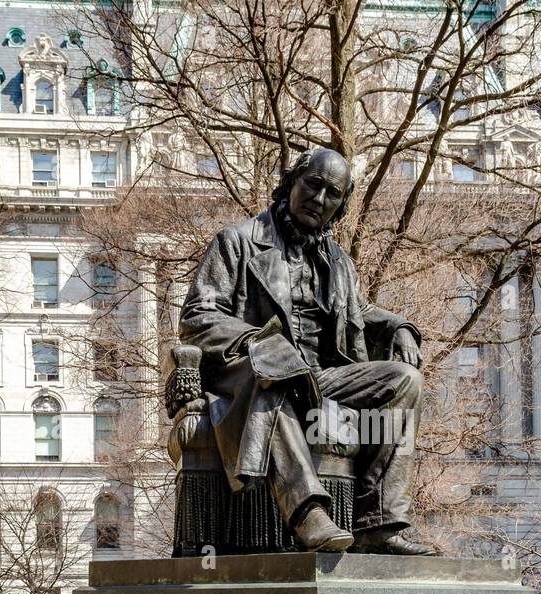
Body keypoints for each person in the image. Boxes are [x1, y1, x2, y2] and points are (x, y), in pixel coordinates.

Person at [179, 148, 434, 554]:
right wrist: (259, 341)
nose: (319, 198)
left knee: (405, 381)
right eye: (312, 184)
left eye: (332, 193)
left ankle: (378, 525)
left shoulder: (338, 263)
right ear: (291, 184)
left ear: (340, 205)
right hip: (257, 372)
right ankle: (307, 511)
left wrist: (399, 325)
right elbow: (197, 316)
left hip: (321, 377)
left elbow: (359, 311)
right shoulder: (238, 242)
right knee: (275, 366)